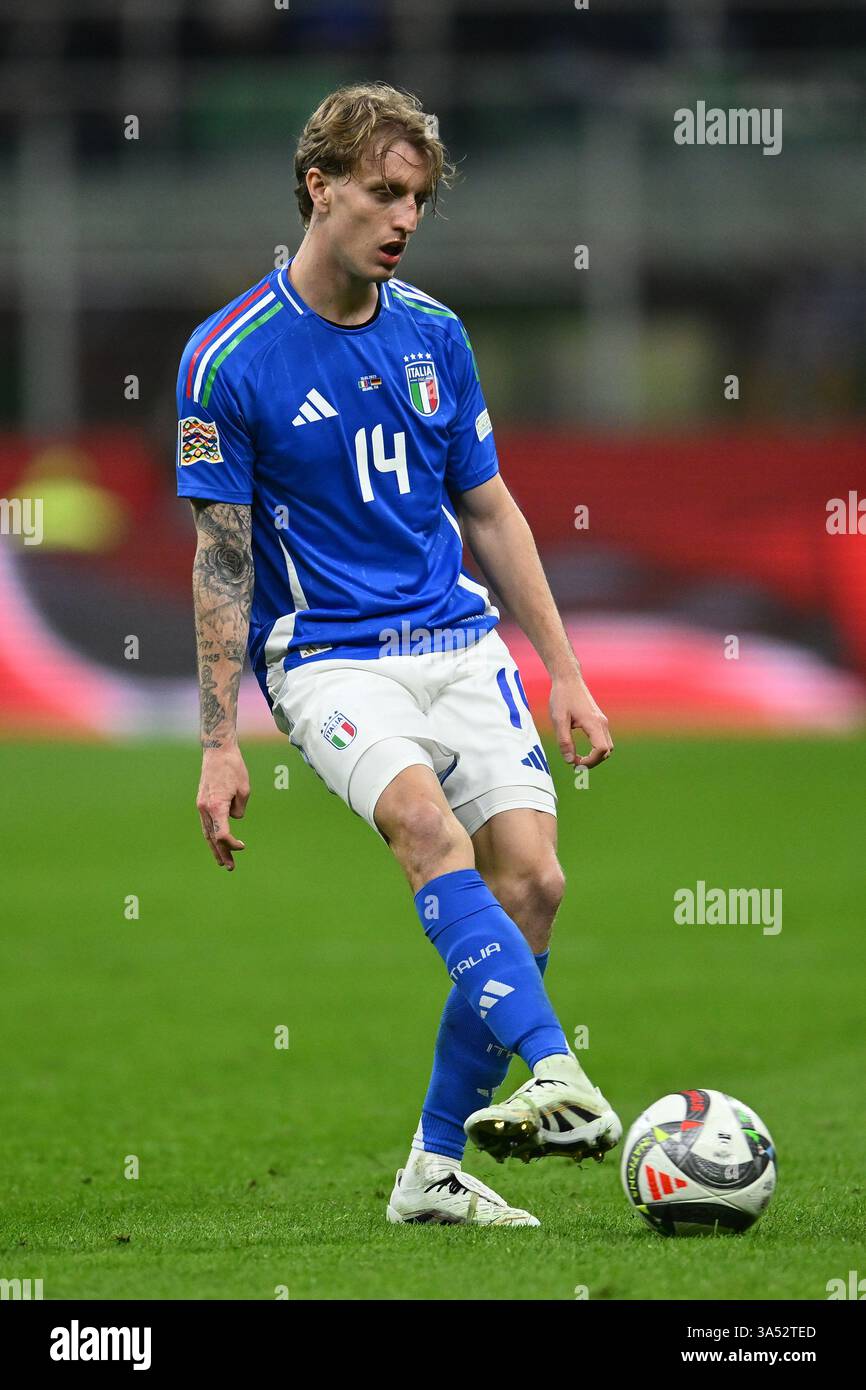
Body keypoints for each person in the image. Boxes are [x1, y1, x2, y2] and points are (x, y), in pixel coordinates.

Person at [176, 82, 620, 1227]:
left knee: (532, 885)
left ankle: (431, 1169)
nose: (402, 216)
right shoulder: (230, 358)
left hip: (458, 641)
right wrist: (220, 740)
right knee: (427, 831)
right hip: (329, 658)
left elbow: (490, 511)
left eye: (416, 197)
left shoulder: (434, 333)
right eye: (381, 191)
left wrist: (563, 669)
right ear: (318, 188)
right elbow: (221, 561)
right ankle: (558, 1072)